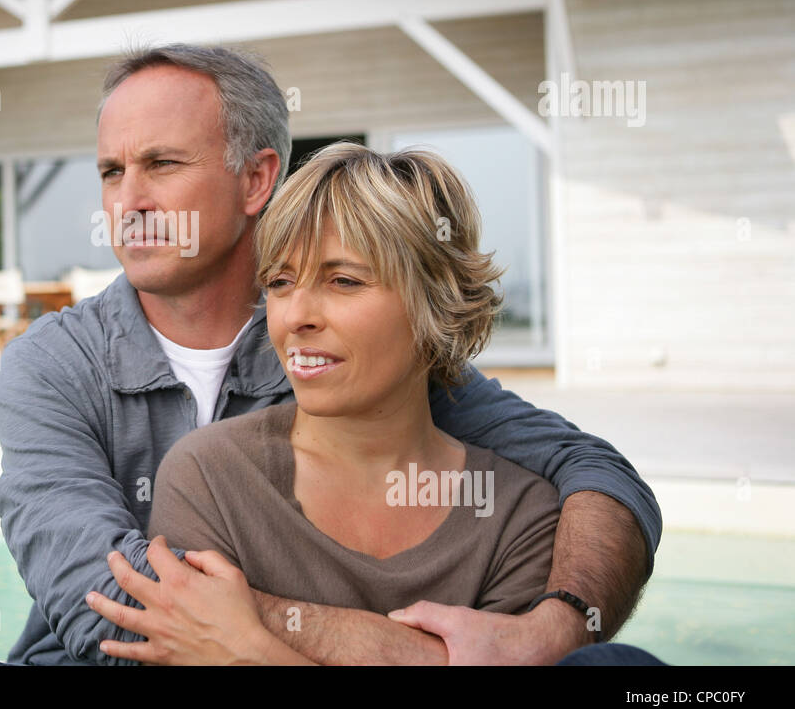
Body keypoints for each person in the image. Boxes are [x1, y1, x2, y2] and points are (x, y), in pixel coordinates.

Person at [0, 44, 661, 666]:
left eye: (162, 163)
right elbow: (110, 612)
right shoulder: (49, 366)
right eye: (111, 171)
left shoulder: (342, 355)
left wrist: (552, 630)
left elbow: (599, 476)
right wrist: (399, 651)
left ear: (255, 178)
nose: (130, 199)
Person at [99, 141, 580, 664]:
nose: (294, 316)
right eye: (280, 282)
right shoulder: (209, 478)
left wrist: (253, 652)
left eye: (344, 281)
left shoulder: (518, 514)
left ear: (437, 303)